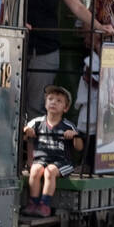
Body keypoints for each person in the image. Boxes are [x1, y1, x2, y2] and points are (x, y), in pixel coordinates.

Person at [24, 0, 112, 116]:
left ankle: (31, 145)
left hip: (47, 48)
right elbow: (3, 2)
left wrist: (99, 26)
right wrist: (16, 23)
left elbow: (78, 8)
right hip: (19, 43)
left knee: (37, 104)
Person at [23, 85, 83, 217]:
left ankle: (45, 204)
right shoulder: (37, 122)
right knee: (35, 169)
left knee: (50, 171)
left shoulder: (68, 125)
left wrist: (73, 135)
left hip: (63, 163)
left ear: (65, 108)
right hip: (42, 159)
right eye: (50, 99)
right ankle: (33, 203)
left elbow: (79, 147)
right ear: (45, 104)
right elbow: (24, 133)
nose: (53, 102)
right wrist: (28, 131)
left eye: (59, 101)